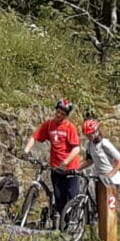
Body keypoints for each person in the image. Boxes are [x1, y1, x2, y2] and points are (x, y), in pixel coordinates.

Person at [24, 99, 85, 231]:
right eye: (58, 112)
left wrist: (66, 162)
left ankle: (73, 227)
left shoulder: (70, 128)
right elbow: (35, 137)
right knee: (59, 198)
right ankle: (61, 226)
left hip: (70, 168)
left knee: (71, 198)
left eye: (62, 114)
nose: (59, 115)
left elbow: (76, 149)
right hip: (56, 168)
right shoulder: (49, 125)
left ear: (66, 115)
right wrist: (26, 151)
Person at [81, 117, 120, 224]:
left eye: (91, 134)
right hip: (100, 178)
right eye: (87, 135)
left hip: (112, 180)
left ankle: (113, 232)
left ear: (96, 131)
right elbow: (89, 161)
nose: (89, 137)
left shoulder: (105, 144)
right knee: (101, 207)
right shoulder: (90, 145)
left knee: (111, 209)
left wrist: (110, 175)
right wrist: (76, 168)